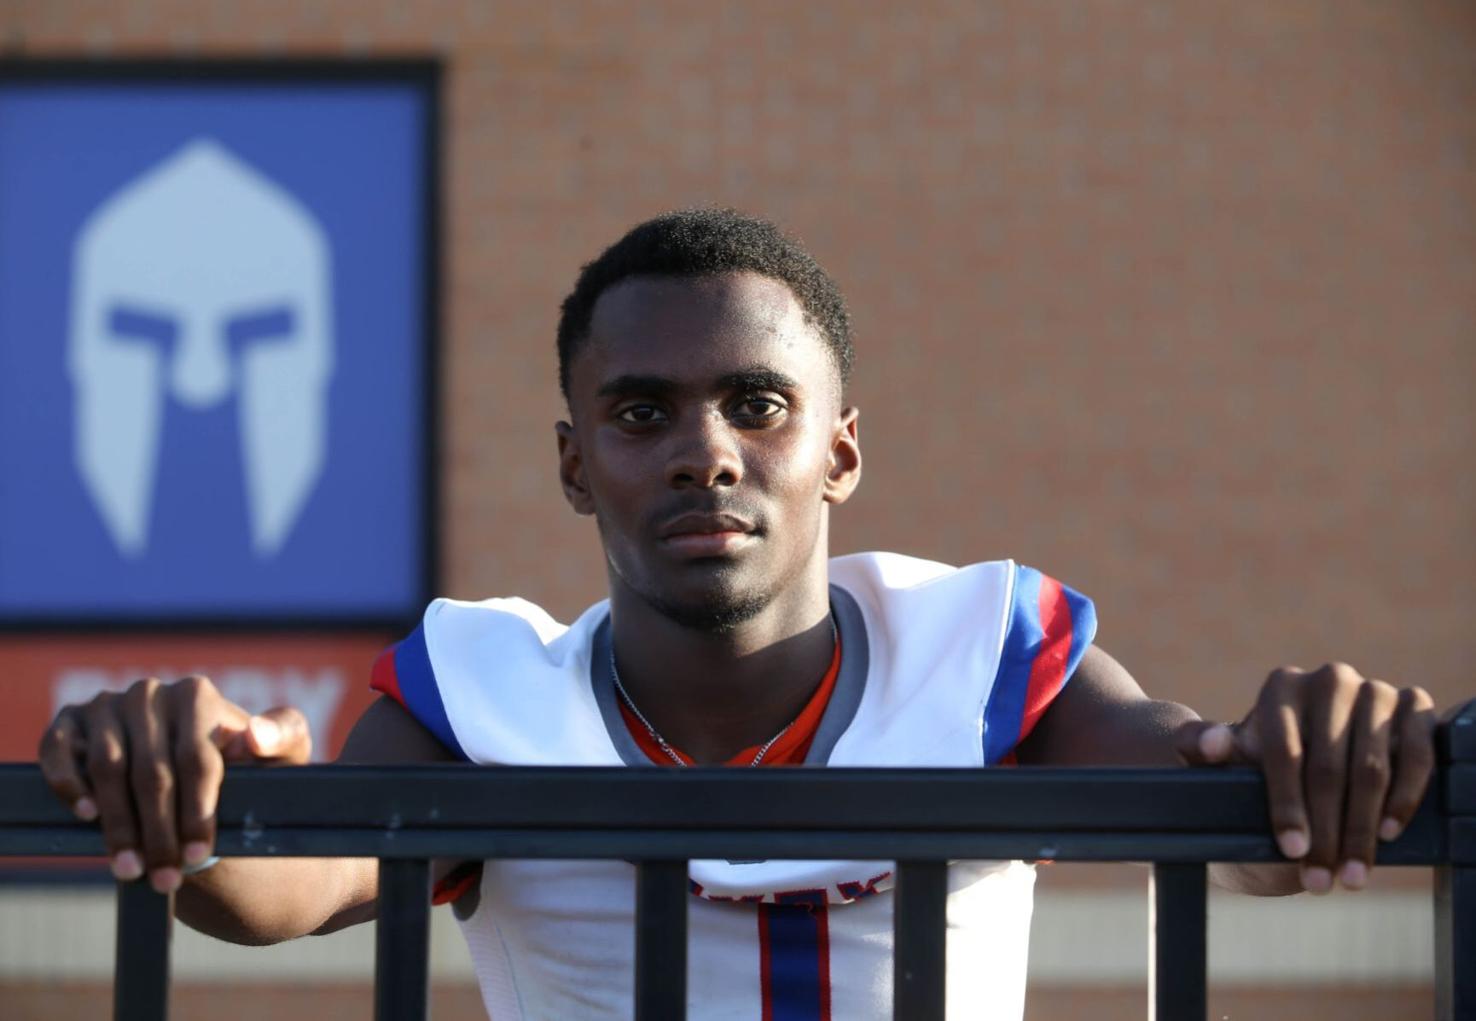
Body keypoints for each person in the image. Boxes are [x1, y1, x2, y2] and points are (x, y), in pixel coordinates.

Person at [38, 209, 1442, 1019]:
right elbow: (282, 890)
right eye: (642, 411)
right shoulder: (486, 692)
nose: (706, 449)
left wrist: (1312, 756)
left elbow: (1225, 814)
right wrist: (190, 782)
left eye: (757, 405)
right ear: (575, 461)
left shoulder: (984, 650)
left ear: (839, 451)